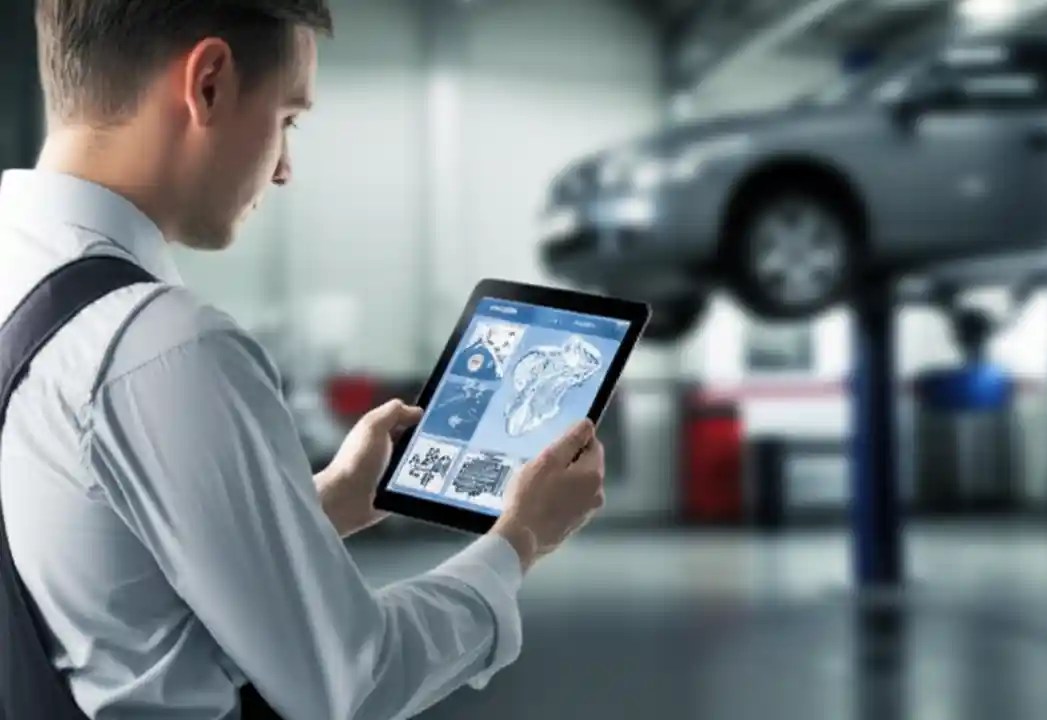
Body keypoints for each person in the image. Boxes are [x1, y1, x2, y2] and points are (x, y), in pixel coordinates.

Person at [0, 1, 606, 718]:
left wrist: (327, 504)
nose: (285, 169)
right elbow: (352, 682)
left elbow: (113, 565)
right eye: (288, 118)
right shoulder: (164, 346)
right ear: (209, 84)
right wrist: (519, 539)